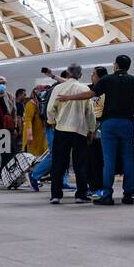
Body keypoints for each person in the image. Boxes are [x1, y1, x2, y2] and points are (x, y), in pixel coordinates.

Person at [89, 54, 134, 204]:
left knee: (108, 161)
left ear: (115, 65)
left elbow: (90, 94)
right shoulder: (133, 80)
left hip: (109, 124)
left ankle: (107, 195)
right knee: (128, 159)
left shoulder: (107, 79)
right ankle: (128, 194)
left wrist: (69, 97)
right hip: (127, 123)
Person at [44, 64, 97, 204]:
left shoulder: (58, 88)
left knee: (58, 163)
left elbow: (50, 109)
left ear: (67, 73)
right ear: (80, 75)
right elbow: (90, 113)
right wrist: (91, 130)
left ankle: (55, 195)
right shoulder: (84, 89)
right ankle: (80, 195)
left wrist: (53, 122)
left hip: (61, 130)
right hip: (80, 131)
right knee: (80, 164)